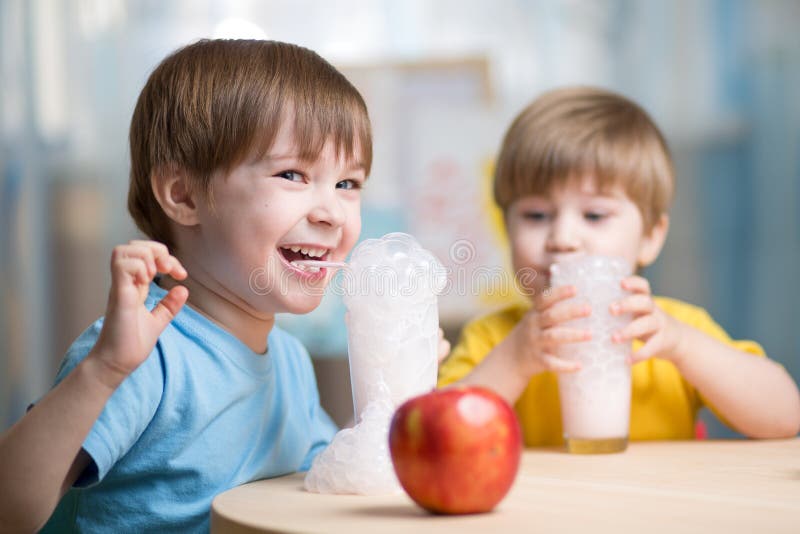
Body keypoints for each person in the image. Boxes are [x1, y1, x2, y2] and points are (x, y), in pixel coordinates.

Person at [0, 39, 373, 532]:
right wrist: (103, 371)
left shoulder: (289, 363)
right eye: (293, 174)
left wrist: (389, 392)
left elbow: (322, 487)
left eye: (348, 184)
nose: (331, 214)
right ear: (183, 195)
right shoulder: (142, 357)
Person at [438, 86, 800, 446]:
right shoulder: (494, 338)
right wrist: (514, 362)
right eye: (536, 215)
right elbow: (439, 435)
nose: (563, 237)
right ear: (506, 229)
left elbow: (785, 416)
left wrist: (683, 346)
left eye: (594, 215)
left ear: (650, 237)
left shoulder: (673, 329)